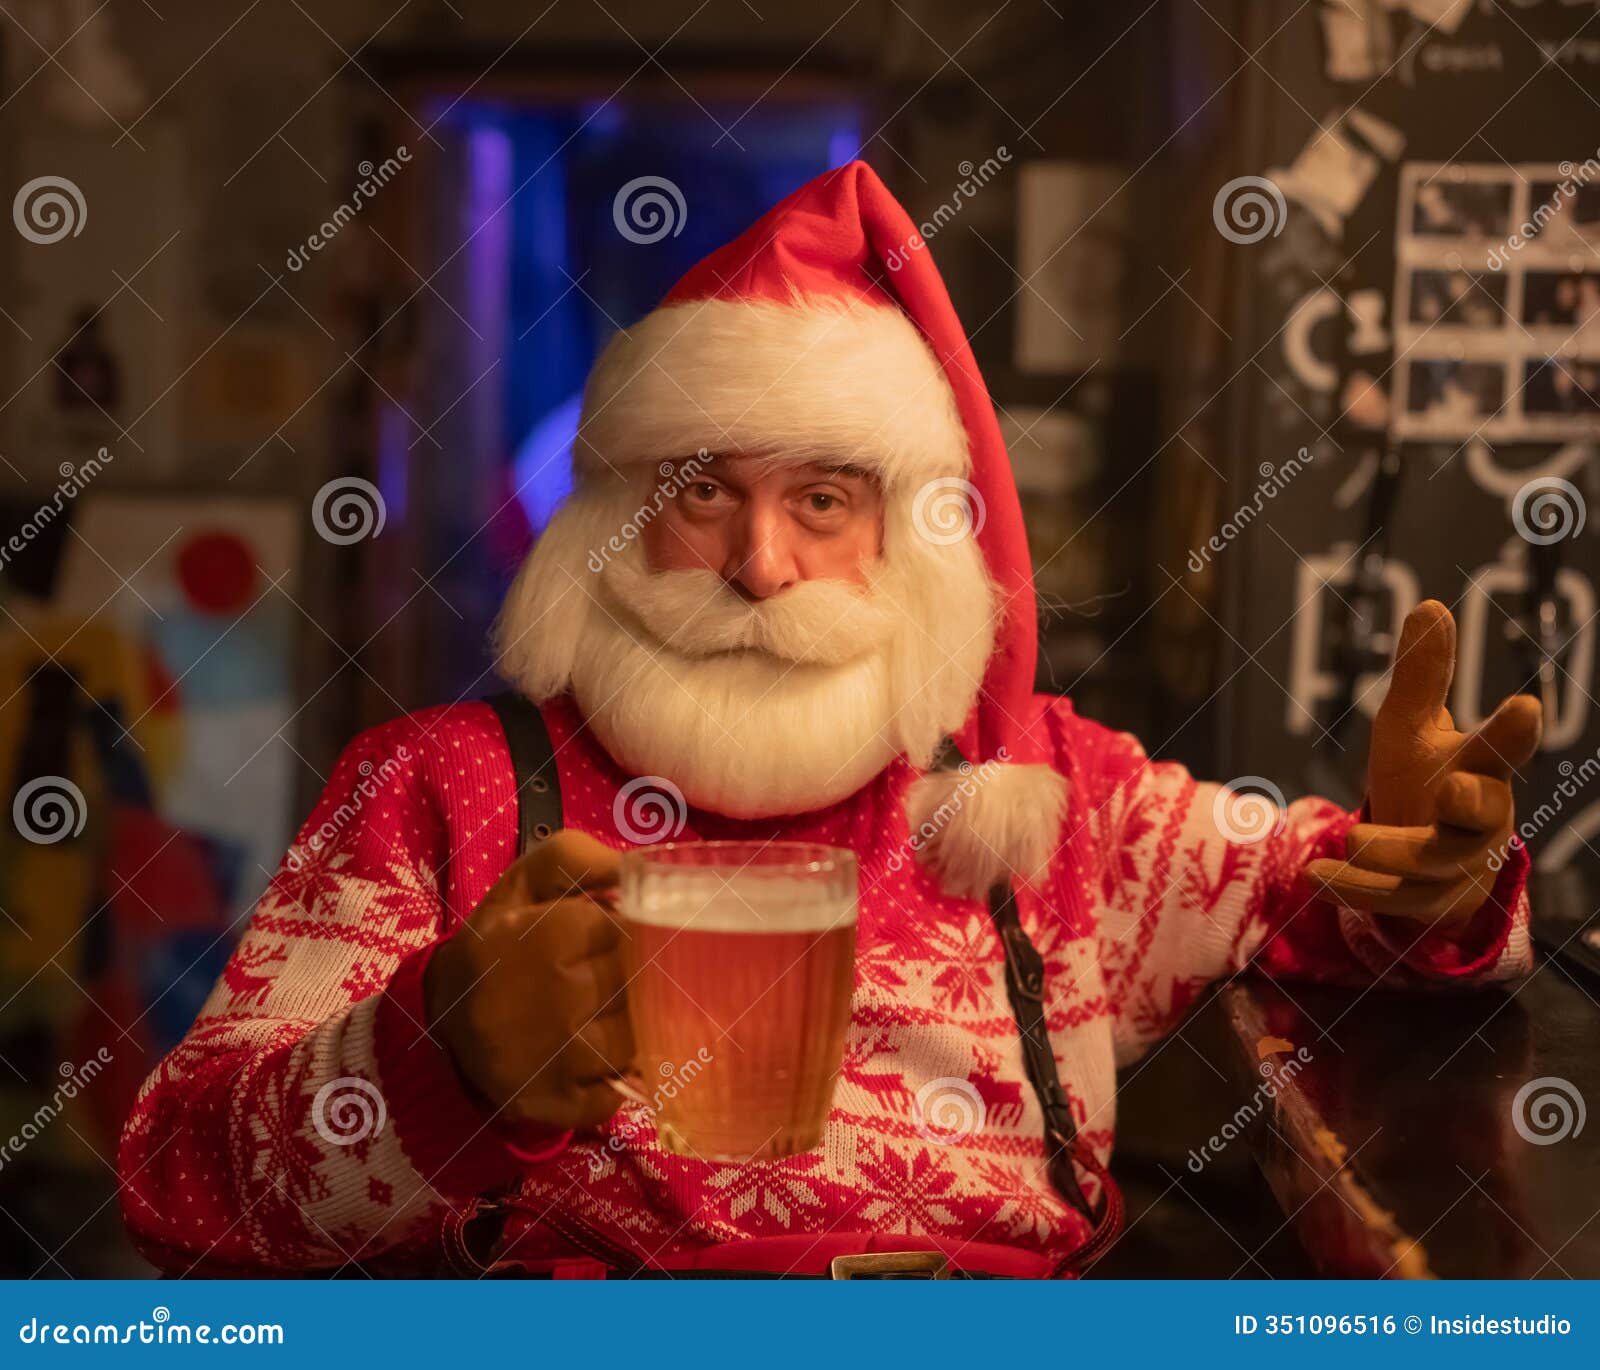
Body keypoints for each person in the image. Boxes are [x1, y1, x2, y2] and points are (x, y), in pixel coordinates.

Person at [119, 162, 1540, 1278]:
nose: (759, 562)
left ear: (902, 538)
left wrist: (1435, 870)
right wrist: (436, 1056)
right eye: (699, 489)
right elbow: (179, 1187)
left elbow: (1325, 907)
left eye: (821, 498)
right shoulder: (440, 787)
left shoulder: (1040, 782)